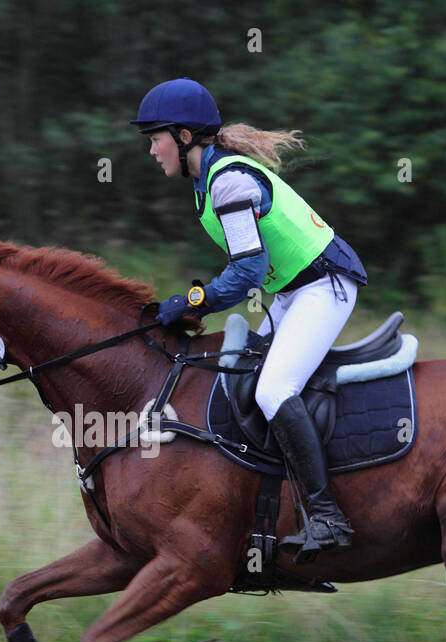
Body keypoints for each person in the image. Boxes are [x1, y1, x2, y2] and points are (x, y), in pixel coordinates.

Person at [132, 77, 368, 559]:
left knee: (273, 389)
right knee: (240, 378)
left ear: (182, 136)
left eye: (154, 137)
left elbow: (248, 269)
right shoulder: (208, 180)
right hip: (292, 293)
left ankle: (327, 517)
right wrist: (197, 301)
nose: (151, 149)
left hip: (325, 286)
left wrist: (196, 301)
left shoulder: (229, 181)